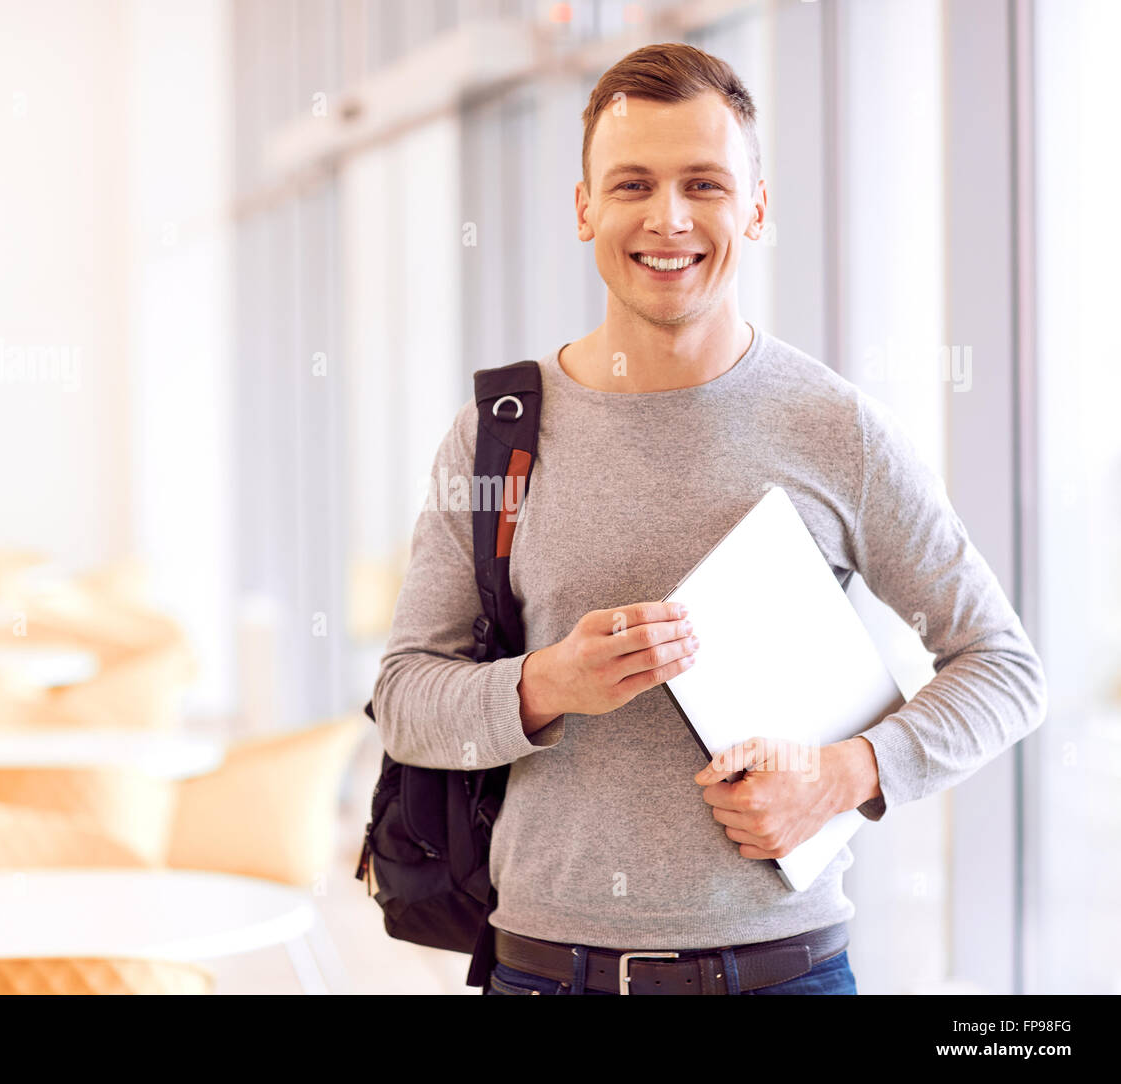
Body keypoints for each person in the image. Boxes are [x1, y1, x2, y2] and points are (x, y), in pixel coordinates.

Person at [369, 41, 1048, 996]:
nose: (669, 218)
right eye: (633, 184)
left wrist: (848, 773)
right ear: (584, 209)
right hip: (543, 972)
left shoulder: (837, 429)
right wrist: (544, 684)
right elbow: (405, 699)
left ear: (758, 209)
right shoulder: (496, 435)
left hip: (785, 972)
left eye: (706, 184)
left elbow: (1006, 669)